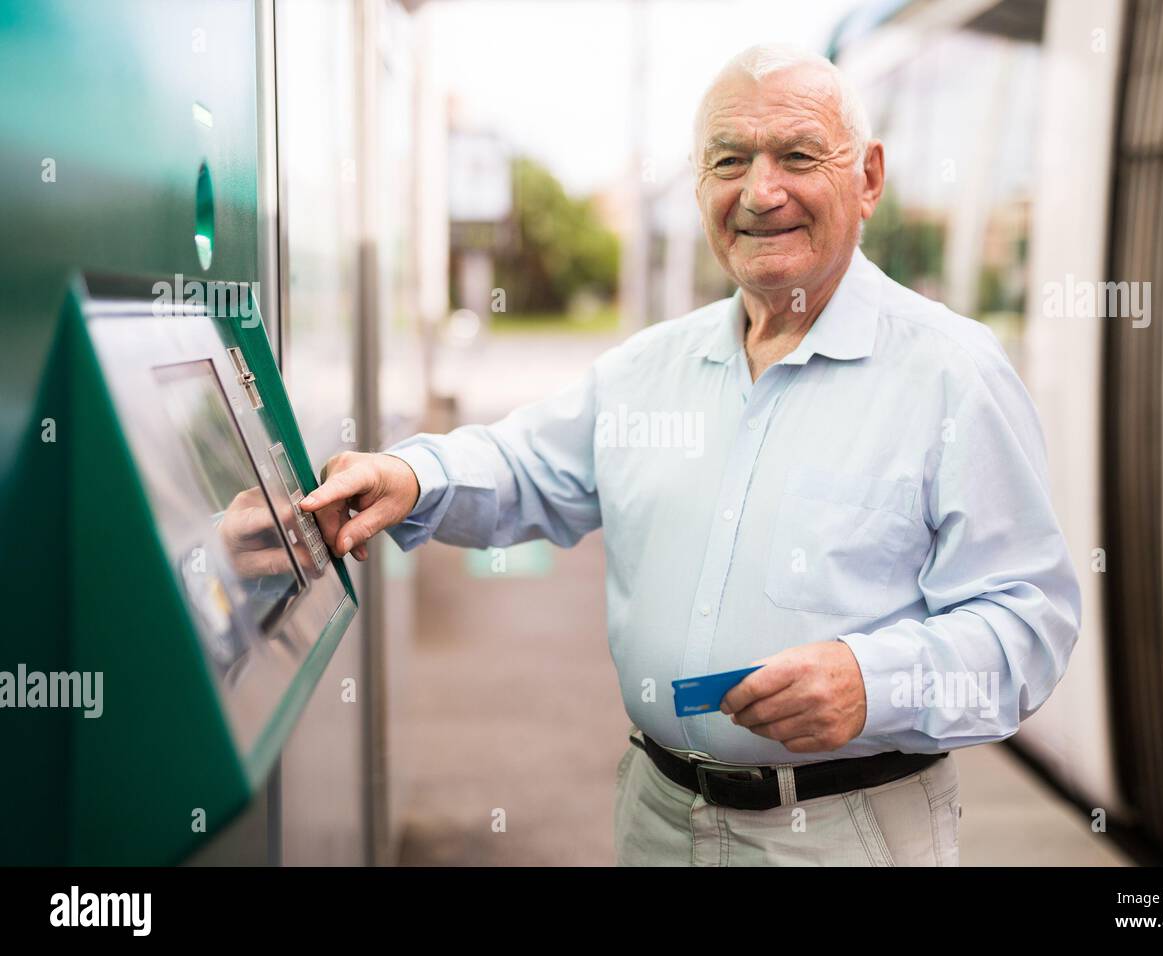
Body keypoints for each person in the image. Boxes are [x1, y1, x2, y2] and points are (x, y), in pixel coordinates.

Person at [300, 43, 1081, 866]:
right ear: (700, 184)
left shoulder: (953, 373)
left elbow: (1029, 622)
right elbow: (525, 467)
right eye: (729, 160)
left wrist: (871, 683)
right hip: (657, 817)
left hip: (845, 833)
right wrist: (410, 473)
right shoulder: (650, 368)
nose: (760, 191)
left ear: (870, 177)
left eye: (797, 156)